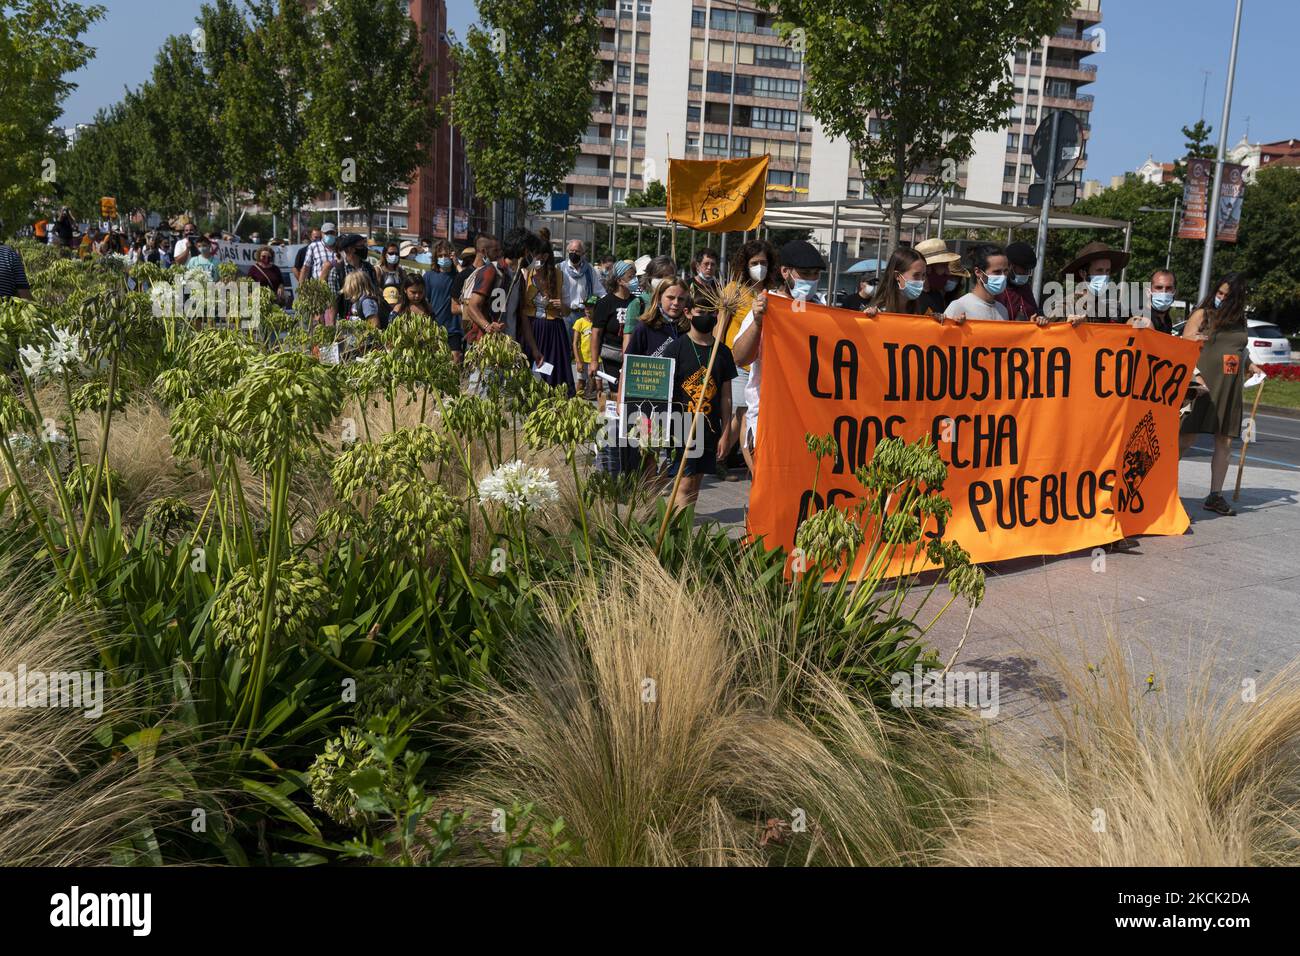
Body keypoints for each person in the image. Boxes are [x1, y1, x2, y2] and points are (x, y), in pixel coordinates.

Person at [731, 240, 825, 465]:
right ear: (786, 272)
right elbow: (740, 357)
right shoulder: (767, 306)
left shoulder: (823, 309)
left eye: (815, 274)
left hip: (810, 422)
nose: (811, 280)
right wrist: (757, 323)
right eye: (804, 273)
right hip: (769, 419)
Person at [1178, 274, 1262, 517]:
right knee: (1186, 438)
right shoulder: (1203, 314)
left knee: (1224, 441)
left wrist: (1250, 365)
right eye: (1220, 293)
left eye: (1227, 296)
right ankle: (1162, 486)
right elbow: (1184, 343)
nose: (1221, 298)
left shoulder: (1240, 320)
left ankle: (1215, 495)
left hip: (1229, 387)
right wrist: (1196, 338)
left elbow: (1239, 349)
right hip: (1201, 383)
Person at [662, 300, 738, 511]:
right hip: (682, 425)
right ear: (688, 313)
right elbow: (664, 391)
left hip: (709, 427)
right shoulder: (676, 348)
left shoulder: (722, 352)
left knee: (696, 483)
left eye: (710, 312)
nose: (706, 316)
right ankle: (675, 529)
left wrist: (725, 433)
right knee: (684, 483)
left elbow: (726, 397)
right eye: (700, 311)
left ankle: (686, 526)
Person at [716, 238, 777, 479]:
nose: (759, 266)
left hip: (762, 364)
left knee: (746, 414)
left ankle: (732, 458)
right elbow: (721, 325)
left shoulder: (771, 292)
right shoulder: (734, 290)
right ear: (745, 264)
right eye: (754, 262)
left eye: (763, 262)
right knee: (742, 413)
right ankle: (728, 459)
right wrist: (717, 356)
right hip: (737, 361)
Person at [460, 229, 542, 365]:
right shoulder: (491, 271)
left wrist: (534, 349)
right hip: (486, 348)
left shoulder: (519, 277)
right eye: (532, 253)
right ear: (524, 251)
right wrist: (487, 326)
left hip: (510, 348)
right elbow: (472, 307)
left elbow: (522, 316)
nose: (533, 258)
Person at [522, 240, 575, 394]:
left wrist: (562, 306)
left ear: (545, 256)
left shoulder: (559, 276)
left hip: (552, 331)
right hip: (530, 329)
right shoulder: (526, 275)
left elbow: (567, 311)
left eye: (535, 254)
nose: (532, 257)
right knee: (528, 370)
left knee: (552, 373)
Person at [1052, 241, 1130, 324]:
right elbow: (1049, 332)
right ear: (1083, 273)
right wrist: (1068, 325)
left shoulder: (1106, 309)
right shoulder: (1065, 306)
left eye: (1107, 271)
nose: (1104, 276)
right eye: (1099, 270)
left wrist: (1135, 321)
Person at [622, 254, 677, 349]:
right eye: (659, 276)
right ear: (650, 277)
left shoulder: (680, 302)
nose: (663, 280)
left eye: (668, 276)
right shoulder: (638, 304)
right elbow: (628, 341)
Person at [944, 244, 1011, 322]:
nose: (1003, 277)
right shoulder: (959, 306)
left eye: (1005, 271)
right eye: (997, 272)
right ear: (978, 272)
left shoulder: (1003, 310)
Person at [866, 247, 931, 316]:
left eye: (923, 275)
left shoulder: (922, 310)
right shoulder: (877, 313)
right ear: (897, 276)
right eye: (916, 275)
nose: (921, 280)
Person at [424, 239, 461, 361]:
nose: (443, 258)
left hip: (454, 328)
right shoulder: (429, 276)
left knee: (455, 359)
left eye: (446, 255)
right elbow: (425, 301)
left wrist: (457, 264)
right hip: (435, 327)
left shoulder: (458, 276)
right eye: (440, 256)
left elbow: (469, 278)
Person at [560, 239, 601, 337]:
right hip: (566, 314)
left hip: (584, 315)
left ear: (583, 253)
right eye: (571, 251)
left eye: (577, 251)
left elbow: (598, 290)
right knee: (566, 346)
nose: (574, 253)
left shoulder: (590, 270)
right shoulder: (560, 268)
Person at [998, 241, 1044, 321]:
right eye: (1023, 270)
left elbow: (1034, 312)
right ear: (1010, 266)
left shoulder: (1025, 288)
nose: (1026, 274)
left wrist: (1039, 318)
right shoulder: (998, 289)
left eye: (1028, 271)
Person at [913, 238, 962, 313]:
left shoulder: (937, 296)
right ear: (927, 268)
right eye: (943, 266)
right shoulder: (911, 300)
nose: (948, 272)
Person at [1132, 269, 1178, 334]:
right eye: (1158, 288)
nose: (1163, 292)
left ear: (1174, 292)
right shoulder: (1140, 316)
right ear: (1148, 291)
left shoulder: (1167, 319)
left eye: (1169, 288)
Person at [572, 296, 599, 398]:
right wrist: (578, 361)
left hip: (595, 359)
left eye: (590, 307)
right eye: (586, 307)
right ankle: (576, 403)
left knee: (595, 384)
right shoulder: (580, 322)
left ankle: (597, 409)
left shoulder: (599, 322)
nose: (587, 310)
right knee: (581, 383)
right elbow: (575, 343)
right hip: (583, 358)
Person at [375, 240, 406, 325]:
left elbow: (404, 290)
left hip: (398, 311)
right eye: (391, 253)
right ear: (385, 254)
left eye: (396, 254)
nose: (394, 256)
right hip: (382, 310)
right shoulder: (378, 270)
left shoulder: (400, 271)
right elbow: (375, 290)